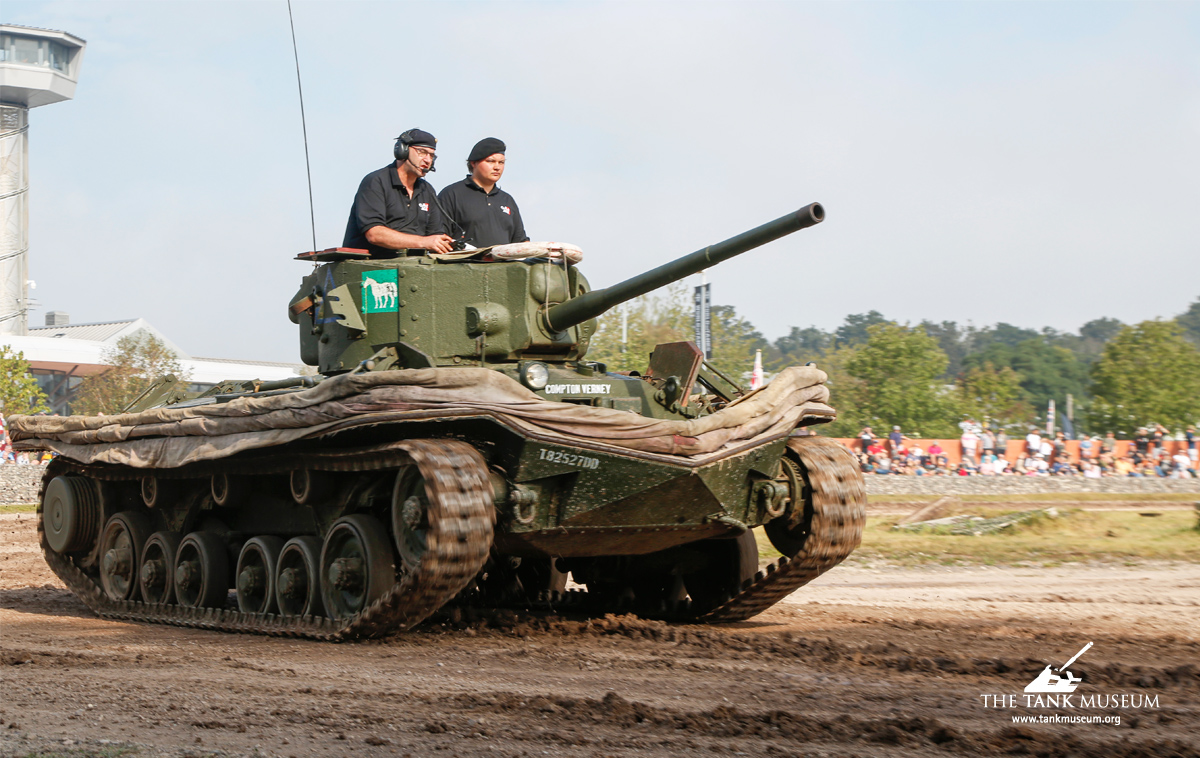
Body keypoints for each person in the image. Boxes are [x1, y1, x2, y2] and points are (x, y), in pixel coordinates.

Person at [343, 128, 455, 257]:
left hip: (413, 267)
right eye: (422, 152)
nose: (428, 160)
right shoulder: (376, 182)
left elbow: (435, 235)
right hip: (370, 269)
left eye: (431, 155)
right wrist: (423, 242)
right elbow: (374, 234)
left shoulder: (427, 190)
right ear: (402, 150)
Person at [437, 138, 529, 249]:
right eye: (490, 161)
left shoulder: (507, 200)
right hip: (464, 264)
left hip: (503, 265)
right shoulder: (451, 194)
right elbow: (440, 238)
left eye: (501, 162)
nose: (497, 167)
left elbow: (520, 241)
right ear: (473, 163)